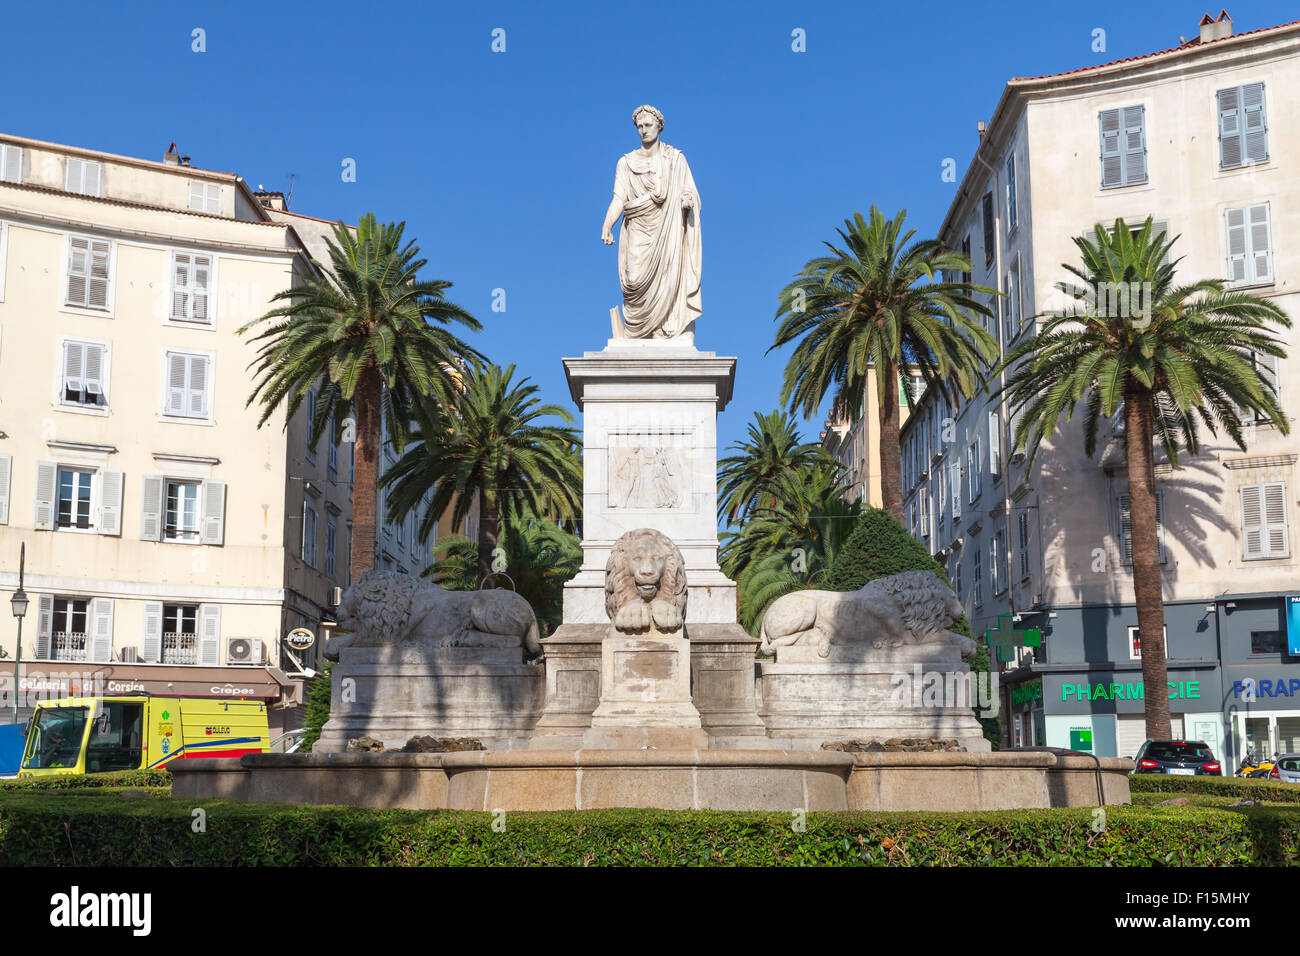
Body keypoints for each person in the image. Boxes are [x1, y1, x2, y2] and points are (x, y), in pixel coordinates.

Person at [601, 105, 702, 340]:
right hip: (638, 227)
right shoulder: (625, 163)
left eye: (648, 125)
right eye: (639, 126)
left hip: (668, 231)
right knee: (634, 279)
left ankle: (665, 327)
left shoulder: (675, 160)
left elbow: (690, 192)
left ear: (659, 126)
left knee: (669, 276)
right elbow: (619, 198)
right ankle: (639, 331)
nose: (643, 130)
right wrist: (608, 225)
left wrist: (687, 200)